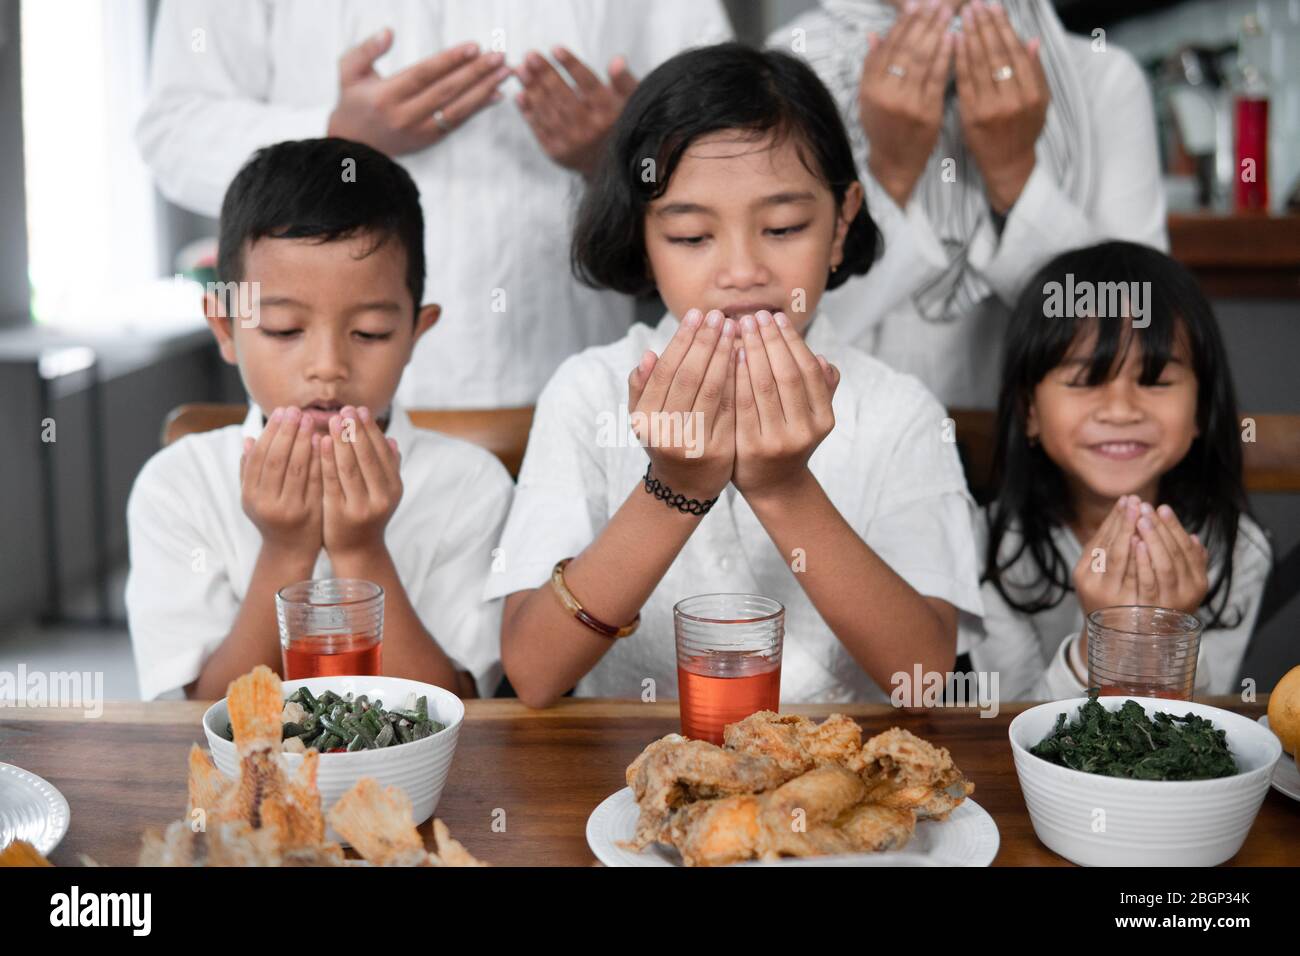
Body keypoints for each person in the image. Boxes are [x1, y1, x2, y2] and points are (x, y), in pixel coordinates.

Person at [486, 43, 984, 707]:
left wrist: (783, 488)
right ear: (642, 237)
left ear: (842, 224)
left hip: (836, 784)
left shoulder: (899, 411)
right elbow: (534, 672)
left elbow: (922, 679)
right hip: (628, 785)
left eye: (782, 226)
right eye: (692, 237)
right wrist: (673, 489)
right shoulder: (588, 393)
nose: (742, 270)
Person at [136, 0, 732, 408]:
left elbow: (730, 135)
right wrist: (334, 132)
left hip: (576, 392)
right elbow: (173, 132)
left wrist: (625, 153)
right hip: (335, 406)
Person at [125, 138, 513, 701]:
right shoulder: (178, 487)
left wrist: (362, 549)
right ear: (226, 329)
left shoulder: (471, 486)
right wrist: (285, 550)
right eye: (284, 330)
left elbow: (457, 710)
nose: (328, 367)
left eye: (370, 333)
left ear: (414, 334)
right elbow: (203, 718)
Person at [771, 0, 1168, 407]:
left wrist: (1015, 174)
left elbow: (1139, 338)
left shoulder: (1098, 80)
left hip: (1026, 455)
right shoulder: (781, 76)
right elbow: (772, 332)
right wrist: (890, 173)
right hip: (832, 451)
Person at [969, 241, 1273, 699]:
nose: (1120, 409)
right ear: (1029, 409)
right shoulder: (988, 545)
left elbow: (1203, 730)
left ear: (1200, 411)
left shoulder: (1237, 549)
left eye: (1155, 381)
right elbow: (1013, 727)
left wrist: (1169, 632)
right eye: (1085, 381)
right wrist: (1101, 638)